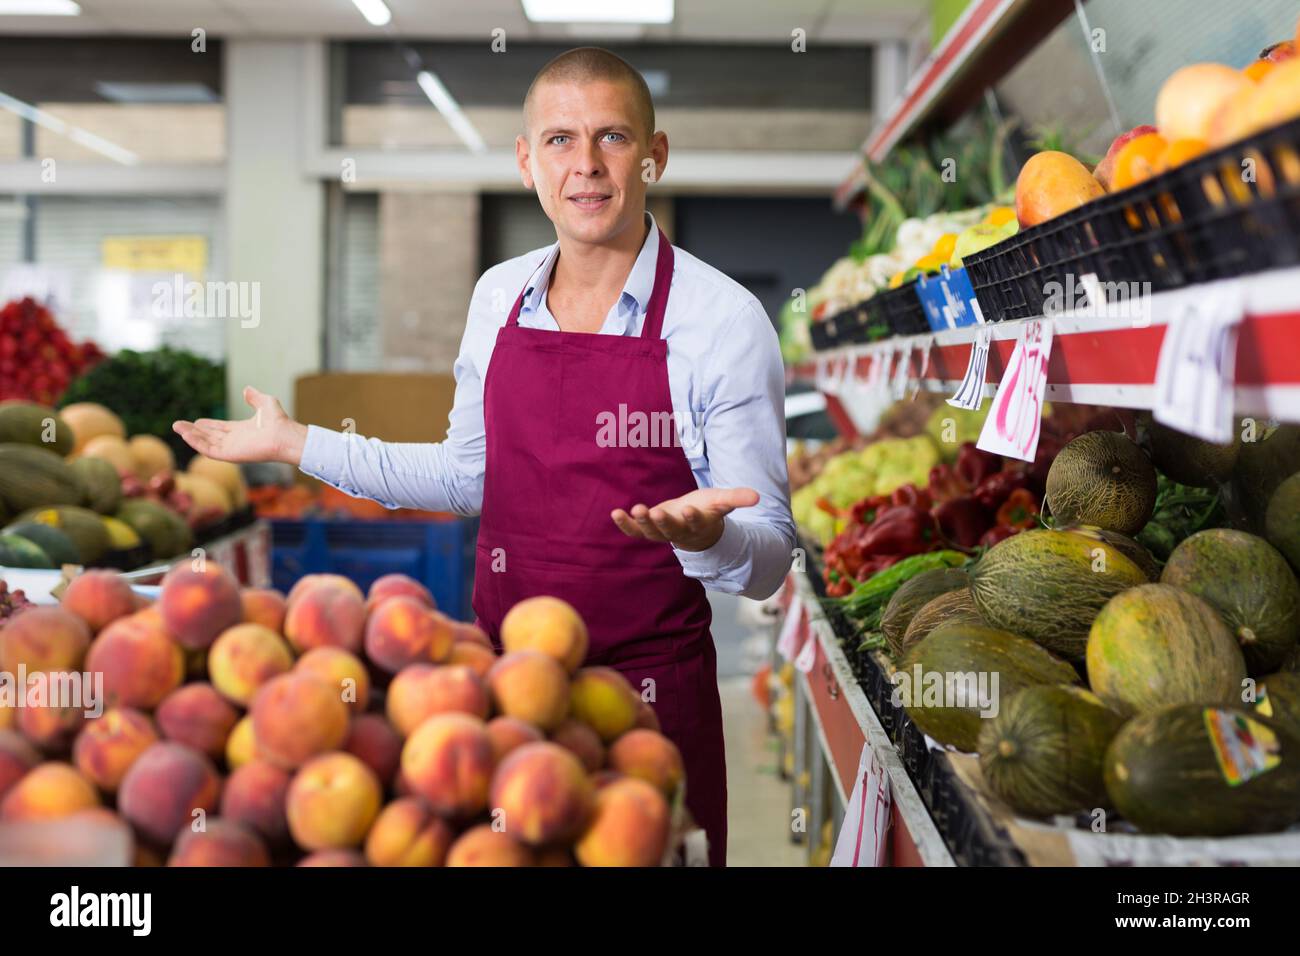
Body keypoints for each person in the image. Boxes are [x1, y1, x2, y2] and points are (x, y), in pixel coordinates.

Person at [175, 47, 794, 866]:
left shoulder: (723, 320)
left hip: (649, 708)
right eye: (561, 140)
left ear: (655, 154)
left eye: (612, 137)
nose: (587, 166)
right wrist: (296, 443)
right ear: (526, 159)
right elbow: (464, 478)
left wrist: (707, 539)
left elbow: (770, 558)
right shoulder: (499, 297)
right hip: (505, 697)